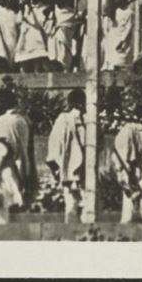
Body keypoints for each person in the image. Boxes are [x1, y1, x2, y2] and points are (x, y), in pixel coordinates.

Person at [0, 87, 34, 223]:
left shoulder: (3, 122)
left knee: (2, 215)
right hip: (19, 170)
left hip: (4, 172)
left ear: (3, 104)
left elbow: (3, 150)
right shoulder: (22, 120)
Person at [46, 89, 89, 221]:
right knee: (89, 205)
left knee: (71, 205)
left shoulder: (62, 119)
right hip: (87, 169)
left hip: (67, 169)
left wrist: (55, 167)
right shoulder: (91, 120)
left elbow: (54, 144)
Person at [103, 0, 138, 68]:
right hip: (113, 38)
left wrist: (122, 41)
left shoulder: (129, 13)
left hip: (123, 40)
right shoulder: (115, 11)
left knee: (122, 61)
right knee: (111, 60)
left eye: (118, 0)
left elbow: (129, 27)